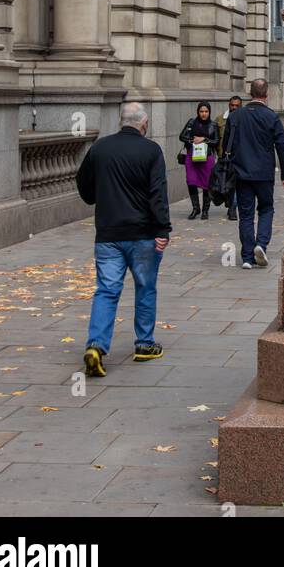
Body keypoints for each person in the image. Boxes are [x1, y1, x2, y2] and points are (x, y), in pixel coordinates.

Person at [76, 101, 171, 376]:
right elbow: (157, 193)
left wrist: (97, 197)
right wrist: (163, 230)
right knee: (145, 288)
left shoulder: (100, 148)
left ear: (121, 122)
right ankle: (144, 344)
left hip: (108, 233)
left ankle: (96, 345)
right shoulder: (151, 150)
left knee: (106, 290)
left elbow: (83, 184)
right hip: (143, 235)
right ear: (144, 124)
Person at [229, 78, 284, 269]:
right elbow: (281, 146)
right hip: (264, 173)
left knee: (246, 214)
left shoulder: (236, 116)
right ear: (266, 94)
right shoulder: (271, 117)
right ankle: (261, 244)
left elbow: (227, 145)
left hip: (241, 172)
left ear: (250, 93)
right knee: (266, 209)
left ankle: (247, 257)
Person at [178, 101, 220, 219]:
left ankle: (205, 210)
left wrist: (204, 139)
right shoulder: (192, 122)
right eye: (201, 111)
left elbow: (216, 141)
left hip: (207, 157)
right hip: (192, 157)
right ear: (198, 112)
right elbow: (182, 136)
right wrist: (192, 140)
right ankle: (195, 208)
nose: (203, 114)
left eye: (206, 111)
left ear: (209, 112)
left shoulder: (213, 125)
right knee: (191, 181)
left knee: (207, 184)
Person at [220, 95, 243, 218]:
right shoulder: (221, 119)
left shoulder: (245, 119)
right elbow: (222, 139)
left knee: (237, 184)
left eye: (237, 105)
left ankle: (233, 207)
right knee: (229, 183)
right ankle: (231, 206)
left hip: (242, 156)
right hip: (228, 156)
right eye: (232, 105)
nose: (234, 107)